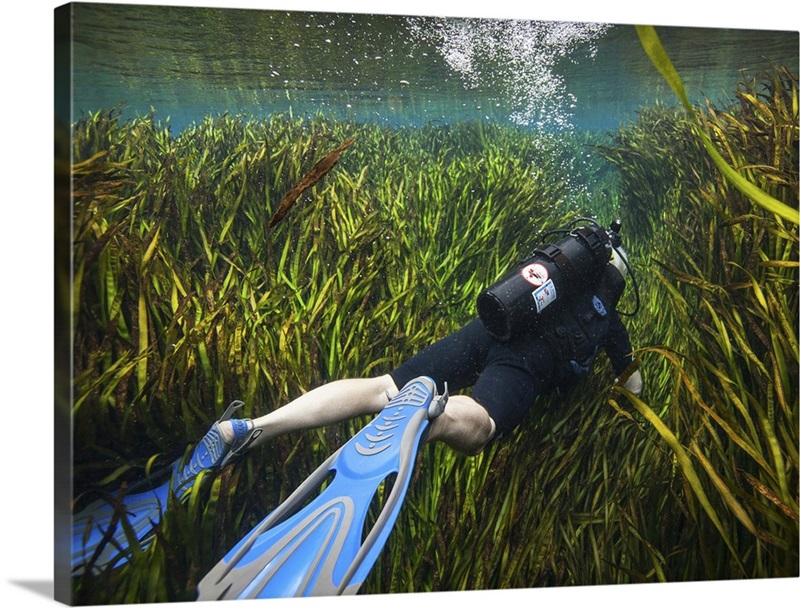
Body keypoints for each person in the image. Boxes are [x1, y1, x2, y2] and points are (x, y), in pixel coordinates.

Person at [189, 221, 644, 474]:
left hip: (490, 327)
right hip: (525, 362)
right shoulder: (610, 320)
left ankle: (250, 428)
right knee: (483, 422)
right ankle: (433, 418)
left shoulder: (554, 272)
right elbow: (634, 384)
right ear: (617, 283)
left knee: (384, 386)